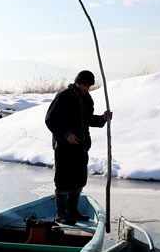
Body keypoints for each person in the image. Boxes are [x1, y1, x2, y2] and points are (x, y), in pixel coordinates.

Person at [44, 70, 112, 224]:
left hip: (81, 146)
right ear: (77, 82)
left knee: (79, 179)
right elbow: (50, 119)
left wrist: (102, 119)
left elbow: (87, 120)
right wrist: (66, 134)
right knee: (63, 180)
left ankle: (73, 212)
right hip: (63, 146)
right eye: (84, 85)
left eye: (88, 86)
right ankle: (62, 215)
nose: (86, 88)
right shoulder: (64, 96)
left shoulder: (88, 99)